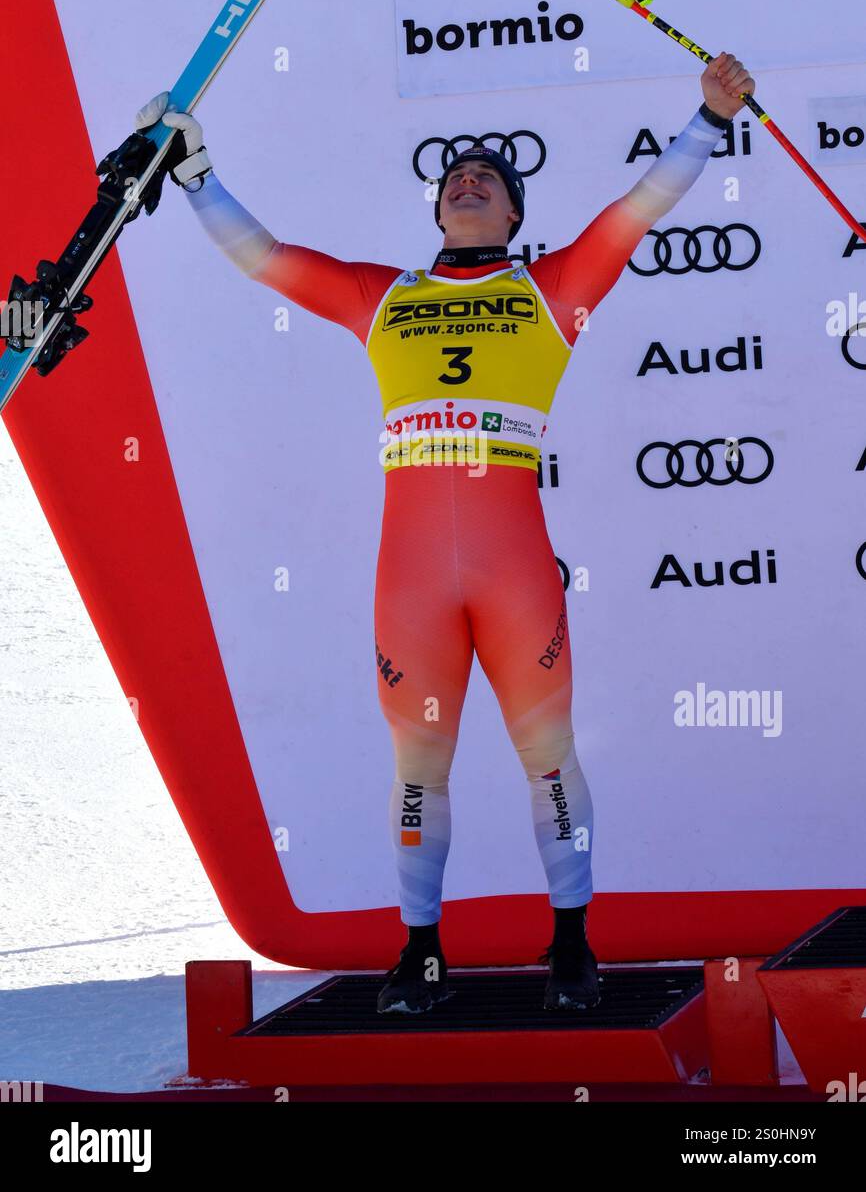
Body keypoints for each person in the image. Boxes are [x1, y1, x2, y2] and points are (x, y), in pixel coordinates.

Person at [135, 51, 755, 1014]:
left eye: (491, 179)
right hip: (412, 581)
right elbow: (266, 258)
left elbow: (636, 211)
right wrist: (194, 172)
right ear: (438, 214)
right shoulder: (382, 296)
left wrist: (708, 120)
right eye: (455, 177)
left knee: (548, 758)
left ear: (512, 216)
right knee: (418, 768)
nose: (469, 180)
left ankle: (571, 944)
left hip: (513, 576)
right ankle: (420, 950)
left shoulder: (554, 290)